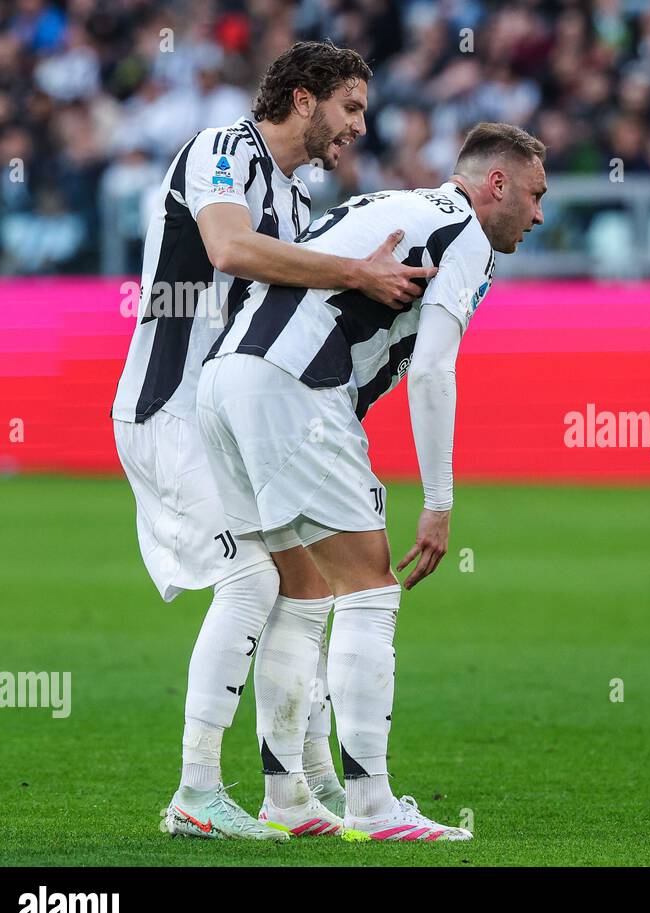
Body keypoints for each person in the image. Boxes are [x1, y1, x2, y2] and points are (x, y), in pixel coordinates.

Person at [110, 41, 435, 841]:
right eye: (351, 106)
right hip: (169, 409)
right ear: (301, 97)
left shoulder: (294, 201)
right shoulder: (224, 152)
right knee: (253, 582)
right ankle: (194, 792)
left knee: (307, 587)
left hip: (230, 422)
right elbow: (224, 247)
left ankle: (300, 790)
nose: (359, 125)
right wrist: (355, 273)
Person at [195, 122, 547, 841]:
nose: (539, 215)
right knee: (371, 588)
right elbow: (433, 371)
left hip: (226, 382)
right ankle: (372, 806)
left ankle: (287, 797)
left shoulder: (394, 204)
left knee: (303, 591)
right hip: (293, 386)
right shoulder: (466, 237)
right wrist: (440, 502)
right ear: (497, 184)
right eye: (536, 195)